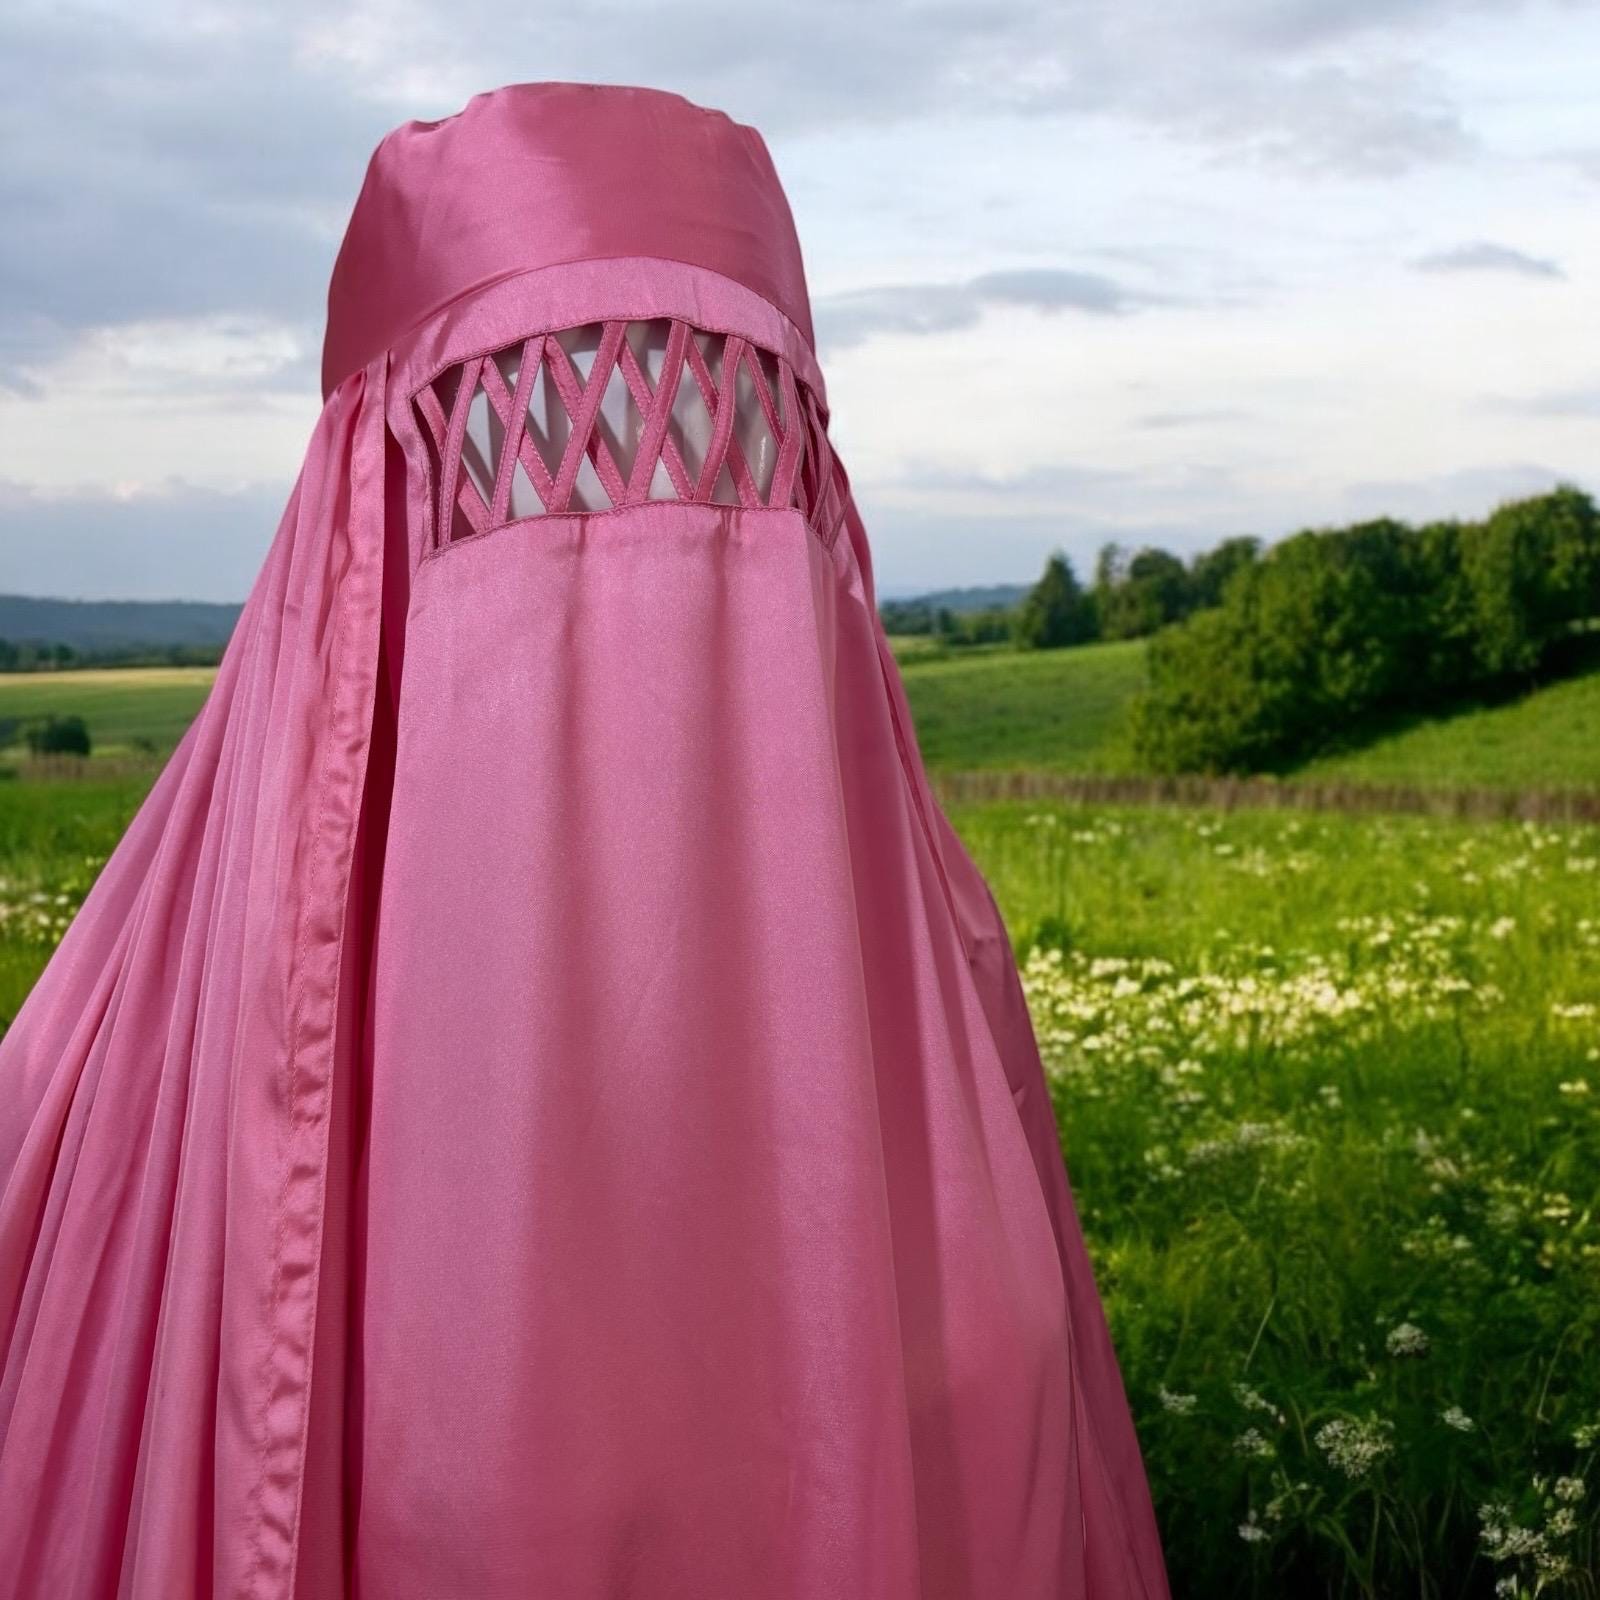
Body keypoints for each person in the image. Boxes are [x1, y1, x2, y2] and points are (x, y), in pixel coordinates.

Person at [0, 81, 1172, 1599]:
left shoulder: (953, 1110)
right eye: (525, 463)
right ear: (367, 540)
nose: (648, 615)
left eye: (734, 465)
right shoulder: (117, 1087)